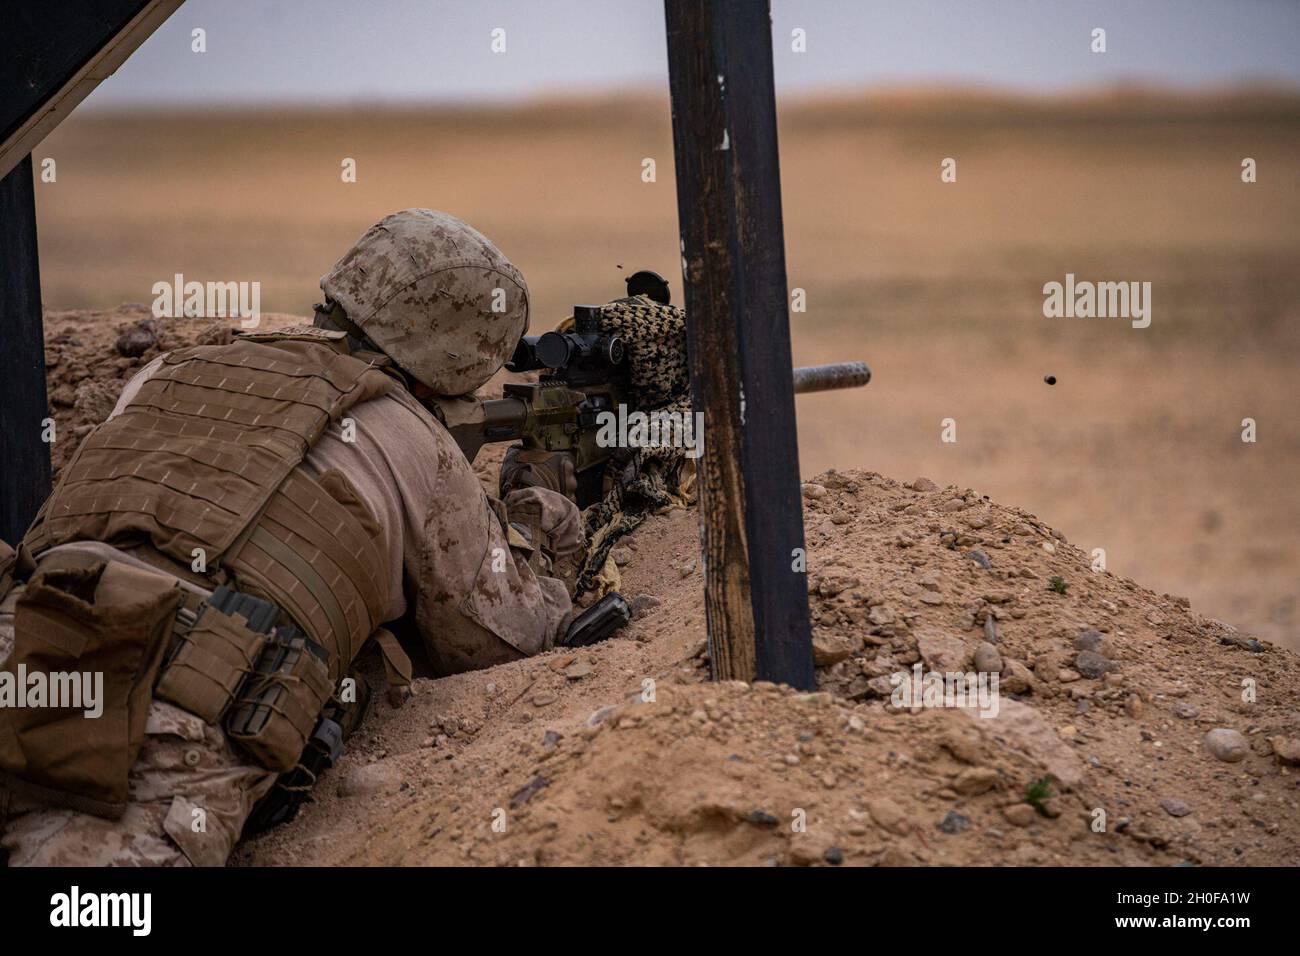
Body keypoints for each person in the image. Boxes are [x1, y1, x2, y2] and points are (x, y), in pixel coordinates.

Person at [0, 208, 582, 866]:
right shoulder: (413, 439)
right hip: (167, 707)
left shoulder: (163, 372)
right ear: (458, 361)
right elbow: (499, 637)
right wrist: (538, 512)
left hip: (30, 632)